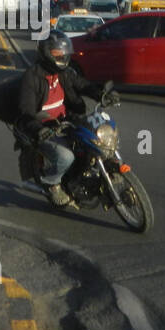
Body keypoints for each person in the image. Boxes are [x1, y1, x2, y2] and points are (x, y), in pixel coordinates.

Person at [15, 31, 112, 209]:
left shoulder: (65, 72)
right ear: (46, 53)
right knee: (65, 157)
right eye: (57, 54)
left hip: (66, 121)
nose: (63, 57)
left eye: (64, 53)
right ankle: (52, 184)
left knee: (95, 142)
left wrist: (102, 94)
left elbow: (82, 84)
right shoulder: (32, 77)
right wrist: (38, 129)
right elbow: (25, 111)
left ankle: (84, 177)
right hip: (43, 128)